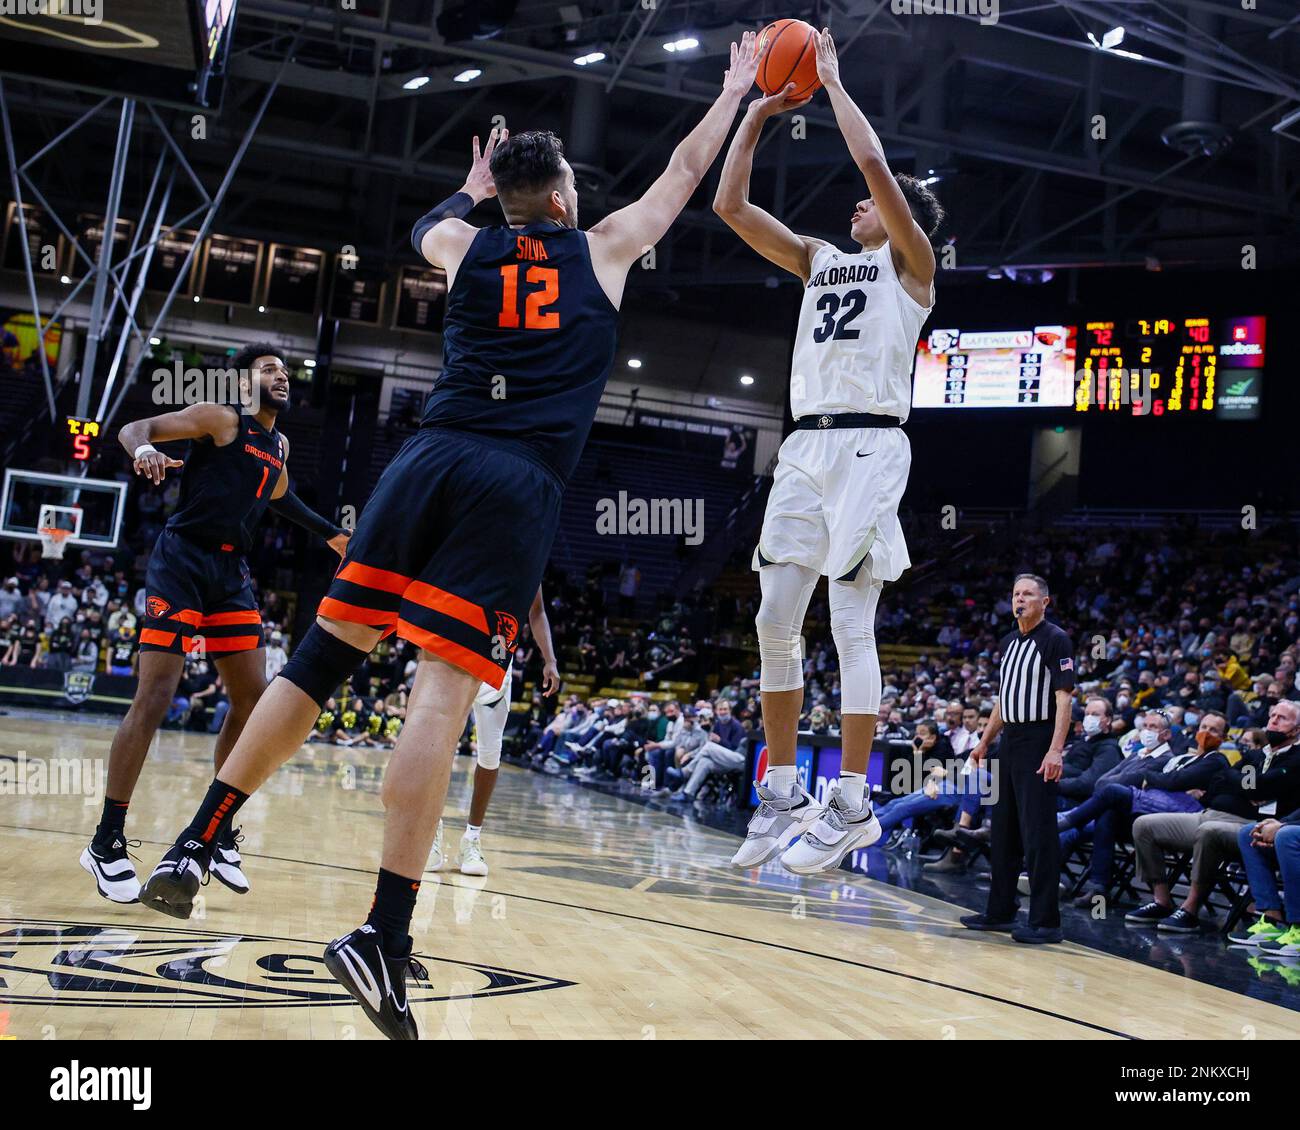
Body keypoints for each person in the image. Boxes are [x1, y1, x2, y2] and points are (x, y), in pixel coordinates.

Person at [140, 34, 766, 1041]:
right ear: (562, 200)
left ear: (506, 197)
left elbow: (432, 221)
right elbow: (685, 172)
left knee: (315, 662)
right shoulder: (601, 247)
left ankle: (195, 836)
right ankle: (383, 929)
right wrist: (736, 87)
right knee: (439, 692)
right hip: (512, 485)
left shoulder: (466, 243)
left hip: (424, 459)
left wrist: (470, 184)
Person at [715, 29, 943, 874]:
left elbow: (879, 170)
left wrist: (836, 84)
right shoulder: (819, 259)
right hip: (803, 448)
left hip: (870, 445)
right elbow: (730, 209)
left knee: (849, 620)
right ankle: (782, 790)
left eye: (868, 203)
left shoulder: (913, 268)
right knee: (776, 616)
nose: (854, 205)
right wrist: (757, 113)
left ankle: (851, 800)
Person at [79, 344, 347, 906]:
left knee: (252, 701)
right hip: (182, 560)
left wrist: (329, 532)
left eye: (285, 370)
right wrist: (147, 449)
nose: (281, 376)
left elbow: (278, 495)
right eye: (267, 369)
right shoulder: (220, 417)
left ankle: (217, 828)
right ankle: (106, 841)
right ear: (245, 383)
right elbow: (135, 426)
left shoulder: (279, 445)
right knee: (155, 696)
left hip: (230, 572)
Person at [960, 575, 1075, 944]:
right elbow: (1003, 699)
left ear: (1045, 601)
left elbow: (1064, 699)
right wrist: (983, 742)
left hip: (1039, 740)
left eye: (1027, 594)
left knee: (1038, 831)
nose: (1019, 599)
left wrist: (1055, 749)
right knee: (1003, 828)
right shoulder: (1010, 642)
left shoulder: (1056, 639)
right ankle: (1001, 910)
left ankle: (1046, 922)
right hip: (1009, 740)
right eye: (1015, 594)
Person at [431, 587, 559, 876]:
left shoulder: (529, 551)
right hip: (455, 653)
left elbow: (536, 611)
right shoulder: (468, 545)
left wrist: (549, 660)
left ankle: (472, 839)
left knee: (490, 755)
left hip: (497, 663)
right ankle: (431, 833)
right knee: (439, 749)